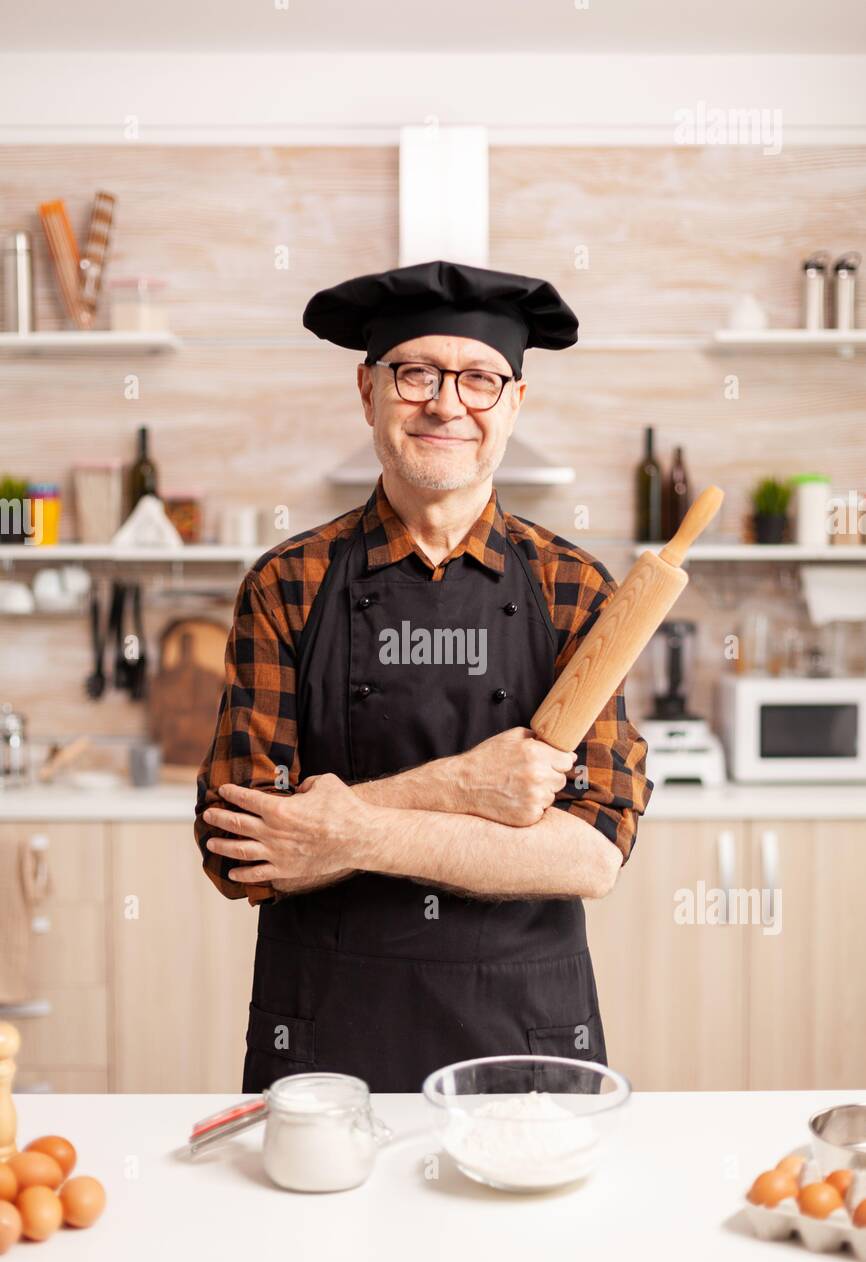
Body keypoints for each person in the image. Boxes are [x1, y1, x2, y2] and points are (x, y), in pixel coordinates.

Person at [195, 259, 652, 1093]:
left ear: (514, 402)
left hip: (526, 1035)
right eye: (416, 373)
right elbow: (241, 852)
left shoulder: (578, 589)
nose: (448, 403)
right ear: (366, 391)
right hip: (331, 1035)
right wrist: (461, 786)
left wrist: (346, 831)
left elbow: (591, 856)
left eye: (480, 378)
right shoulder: (287, 584)